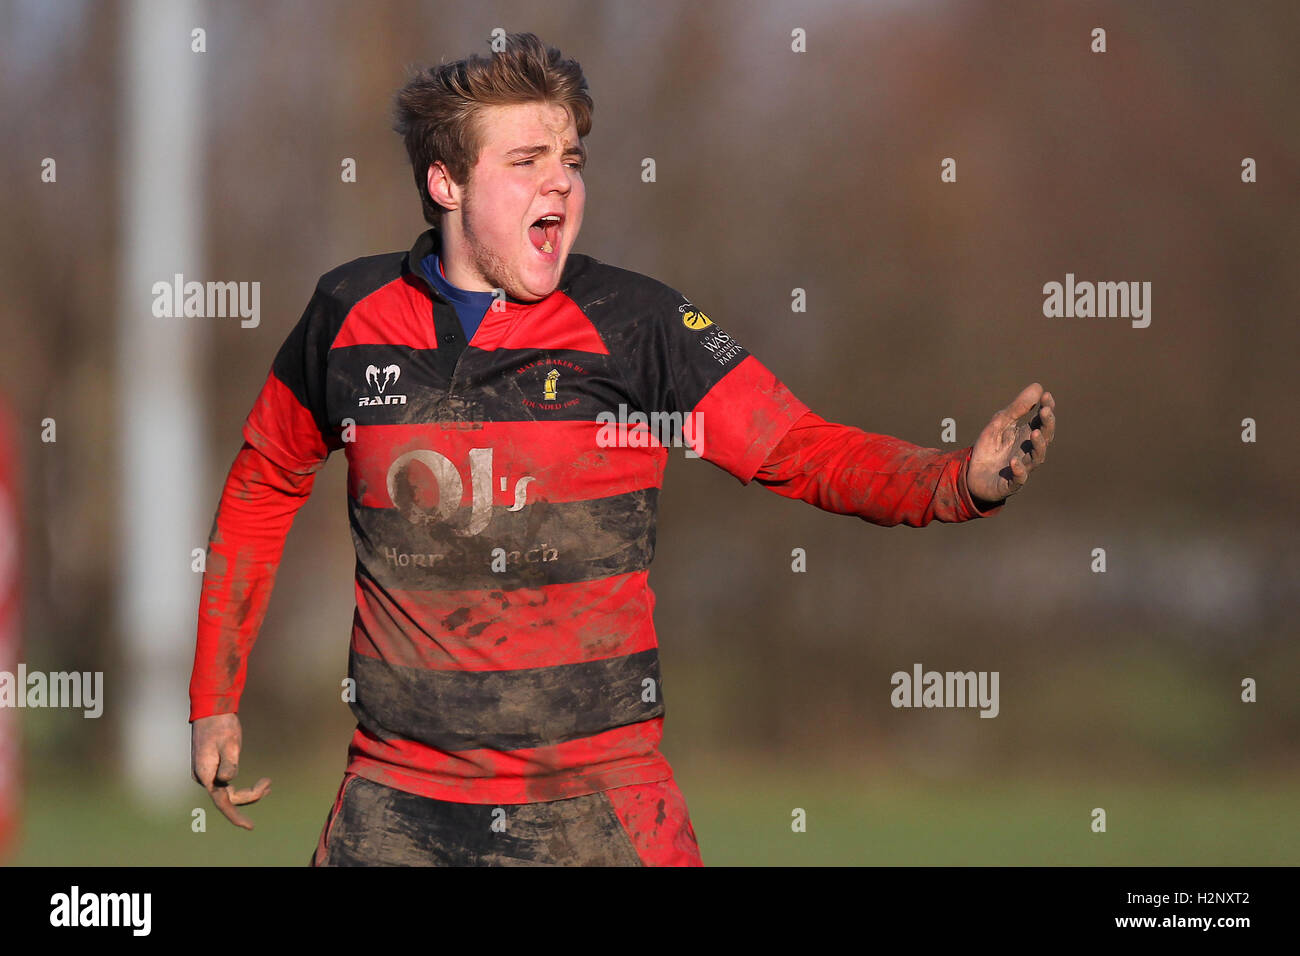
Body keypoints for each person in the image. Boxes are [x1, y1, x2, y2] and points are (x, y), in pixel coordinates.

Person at [188, 32, 1057, 866]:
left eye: (571, 161)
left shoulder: (639, 324)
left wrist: (953, 482)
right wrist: (213, 700)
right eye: (525, 162)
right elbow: (264, 482)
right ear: (445, 181)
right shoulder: (347, 313)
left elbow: (796, 445)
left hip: (596, 805)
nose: (559, 183)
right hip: (394, 801)